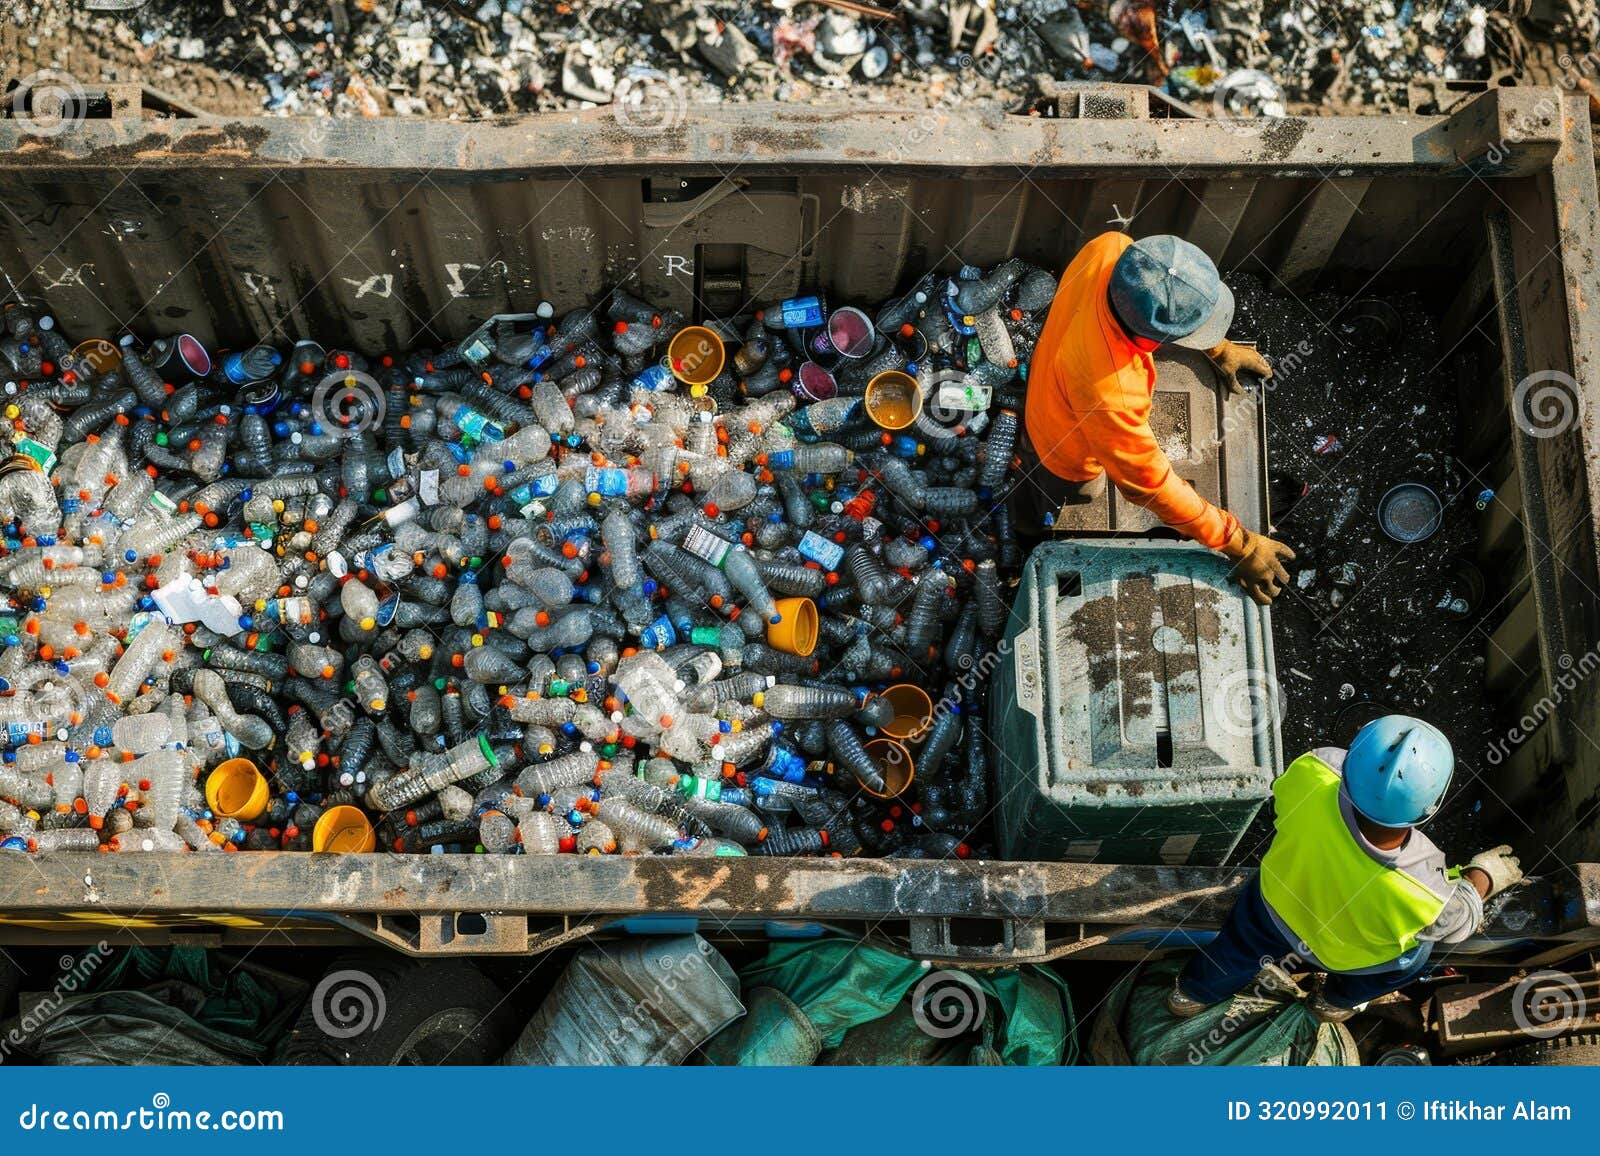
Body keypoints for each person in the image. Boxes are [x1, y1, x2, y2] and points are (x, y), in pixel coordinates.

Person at [1167, 715, 1524, 1022]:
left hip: (1273, 910)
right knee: (1415, 958)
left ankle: (1191, 996)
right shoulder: (1425, 888)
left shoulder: (1314, 773)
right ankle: (1333, 1003)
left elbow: (1304, 783)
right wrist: (1484, 876)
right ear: (1429, 809)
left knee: (1236, 950)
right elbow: (1458, 922)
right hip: (1347, 956)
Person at [1018, 231, 1296, 604]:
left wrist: (1218, 345)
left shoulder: (1113, 248)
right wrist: (1238, 542)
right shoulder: (1111, 390)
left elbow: (1161, 294)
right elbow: (1148, 484)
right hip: (1056, 444)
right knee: (1074, 491)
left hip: (1051, 368)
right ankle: (1025, 536)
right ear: (1151, 338)